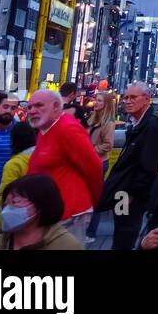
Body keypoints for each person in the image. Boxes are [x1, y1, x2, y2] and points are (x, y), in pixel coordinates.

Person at [26, 88, 103, 244]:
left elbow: (94, 168)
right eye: (29, 107)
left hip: (69, 216)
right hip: (52, 213)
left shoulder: (67, 129)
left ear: (56, 106)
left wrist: (91, 203)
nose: (32, 110)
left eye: (39, 105)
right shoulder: (45, 128)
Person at [99, 81, 158, 250]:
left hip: (129, 195)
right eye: (126, 97)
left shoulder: (150, 126)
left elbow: (149, 166)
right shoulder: (138, 124)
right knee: (121, 229)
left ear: (146, 99)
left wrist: (133, 194)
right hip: (124, 191)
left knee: (125, 232)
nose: (127, 101)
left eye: (133, 97)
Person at [0, 175, 82, 251]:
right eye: (5, 204)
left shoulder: (65, 245)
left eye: (15, 201)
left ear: (41, 204)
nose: (6, 210)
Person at [82, 90, 117, 243]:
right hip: (87, 161)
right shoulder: (91, 119)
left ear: (107, 104)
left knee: (94, 198)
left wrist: (90, 149)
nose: (96, 103)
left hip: (98, 162)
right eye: (96, 99)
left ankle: (90, 232)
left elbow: (108, 145)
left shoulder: (108, 123)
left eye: (100, 101)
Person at [0, 122, 37, 235]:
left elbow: (4, 197)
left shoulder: (14, 164)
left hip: (15, 220)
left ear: (13, 139)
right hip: (36, 217)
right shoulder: (41, 158)